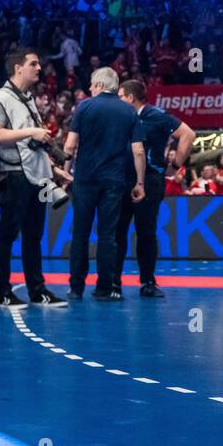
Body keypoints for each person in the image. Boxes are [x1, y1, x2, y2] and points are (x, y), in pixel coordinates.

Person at [0, 47, 70, 308]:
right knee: (7, 234)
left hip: (37, 176)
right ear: (17, 68)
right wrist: (31, 131)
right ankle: (3, 292)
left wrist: (54, 170)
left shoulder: (28, 98)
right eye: (33, 64)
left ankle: (37, 289)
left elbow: (34, 143)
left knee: (34, 234)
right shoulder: (1, 98)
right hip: (13, 175)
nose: (39, 68)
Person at [63, 68, 144, 301]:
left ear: (99, 84)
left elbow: (70, 147)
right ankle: (104, 288)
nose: (89, 88)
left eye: (91, 84)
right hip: (113, 181)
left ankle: (76, 287)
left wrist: (66, 174)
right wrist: (139, 182)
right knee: (108, 235)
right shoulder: (129, 111)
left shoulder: (84, 107)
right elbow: (138, 151)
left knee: (80, 234)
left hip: (85, 180)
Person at [117, 79, 194, 298]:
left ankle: (148, 282)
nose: (118, 100)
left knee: (146, 232)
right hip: (122, 180)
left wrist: (175, 165)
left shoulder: (156, 115)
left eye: (121, 96)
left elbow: (188, 134)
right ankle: (113, 282)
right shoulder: (123, 118)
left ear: (131, 98)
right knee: (117, 232)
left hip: (150, 180)